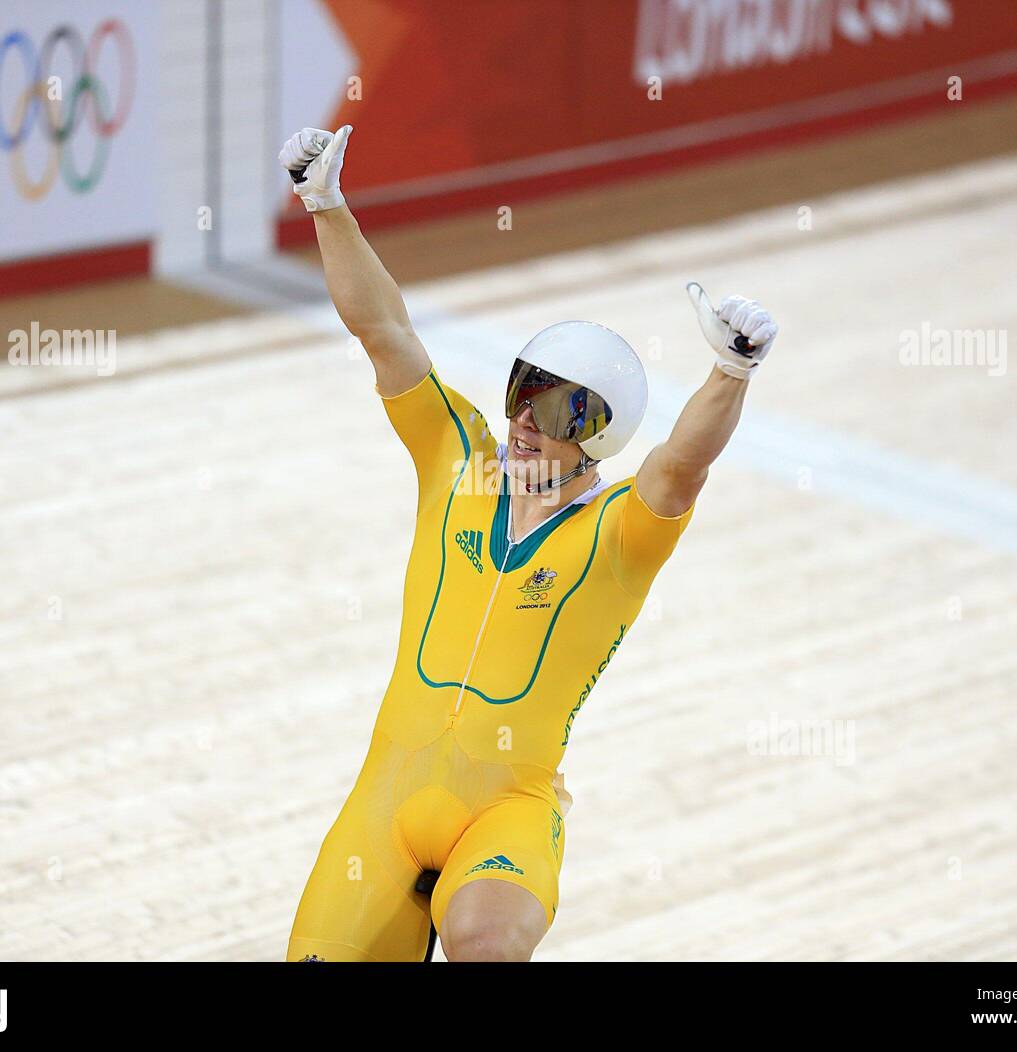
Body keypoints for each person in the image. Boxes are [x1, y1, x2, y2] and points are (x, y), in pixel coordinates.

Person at [279, 125, 778, 962]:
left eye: (560, 412)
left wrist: (731, 374)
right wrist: (325, 205)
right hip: (385, 805)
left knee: (483, 942)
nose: (525, 422)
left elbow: (682, 466)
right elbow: (385, 332)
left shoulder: (617, 535)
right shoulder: (457, 460)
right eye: (524, 395)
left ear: (599, 441)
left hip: (503, 812)